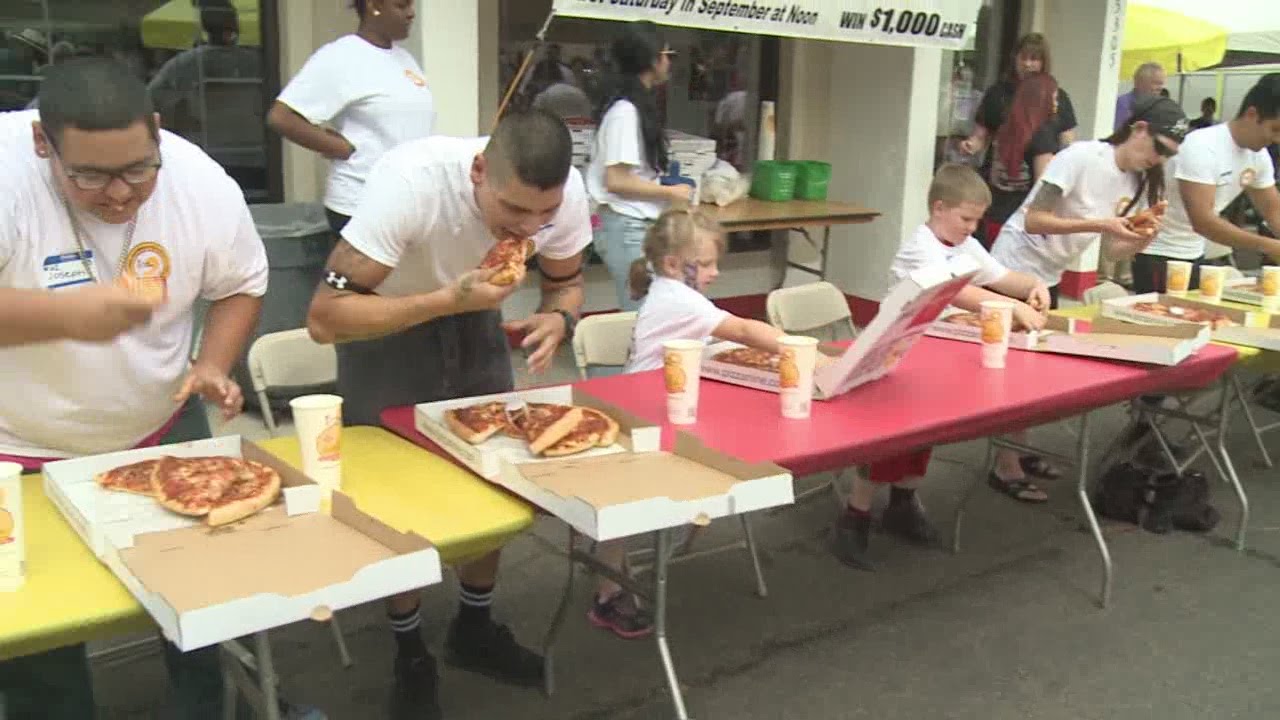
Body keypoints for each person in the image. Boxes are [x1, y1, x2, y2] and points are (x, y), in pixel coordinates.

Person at [0, 59, 320, 720]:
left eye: (138, 169)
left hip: (160, 425)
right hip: (15, 444)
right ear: (42, 144)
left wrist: (212, 363)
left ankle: (209, 705)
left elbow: (240, 283)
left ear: (157, 132)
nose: (120, 195)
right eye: (90, 175)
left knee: (200, 593)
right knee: (39, 627)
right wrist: (71, 316)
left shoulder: (198, 181)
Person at [305, 109, 590, 719]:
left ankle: (474, 626)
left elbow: (567, 282)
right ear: (479, 170)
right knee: (397, 496)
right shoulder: (410, 184)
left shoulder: (561, 199)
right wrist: (443, 300)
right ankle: (408, 646)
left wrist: (559, 317)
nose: (530, 227)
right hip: (387, 316)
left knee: (489, 478)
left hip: (474, 318)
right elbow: (325, 318)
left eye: (545, 213)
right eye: (514, 210)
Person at [832, 165, 1052, 569]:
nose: (972, 228)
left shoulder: (964, 244)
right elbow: (961, 292)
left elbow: (1002, 277)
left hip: (936, 351)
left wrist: (1031, 287)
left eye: (976, 220)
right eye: (966, 218)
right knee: (895, 434)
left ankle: (903, 501)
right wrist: (1015, 307)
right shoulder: (922, 247)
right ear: (938, 208)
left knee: (927, 429)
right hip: (895, 352)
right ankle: (856, 513)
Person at [581, 209, 785, 632]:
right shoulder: (678, 298)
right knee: (631, 503)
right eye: (706, 263)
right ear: (674, 263)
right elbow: (746, 332)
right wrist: (802, 350)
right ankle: (609, 590)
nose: (715, 272)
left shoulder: (674, 290)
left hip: (665, 406)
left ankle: (654, 547)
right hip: (646, 415)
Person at [992, 95, 1186, 299]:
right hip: (1010, 266)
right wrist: (1101, 225)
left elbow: (1112, 251)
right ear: (1139, 129)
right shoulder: (1082, 156)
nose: (1159, 159)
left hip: (1049, 278)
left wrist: (1145, 237)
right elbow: (1033, 220)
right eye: (1159, 148)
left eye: (1168, 155)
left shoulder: (1138, 182)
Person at [268, 0, 432, 235]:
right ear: (373, 6)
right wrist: (340, 147)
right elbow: (282, 117)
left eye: (411, 6)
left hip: (405, 202)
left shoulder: (404, 58)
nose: (411, 14)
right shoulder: (342, 56)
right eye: (401, 6)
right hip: (362, 205)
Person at [1137, 74, 1280, 293]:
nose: (1277, 139)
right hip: (1157, 252)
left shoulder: (1258, 155)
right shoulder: (1203, 147)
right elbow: (1203, 221)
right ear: (1252, 114)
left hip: (1195, 251)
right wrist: (1268, 245)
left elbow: (1273, 210)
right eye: (1275, 129)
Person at [587, 21, 691, 312]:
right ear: (651, 58)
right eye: (666, 53)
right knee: (644, 315)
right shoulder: (625, 112)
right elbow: (616, 180)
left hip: (633, 224)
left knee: (649, 313)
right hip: (625, 226)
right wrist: (670, 193)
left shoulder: (632, 106)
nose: (669, 61)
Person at [960, 33, 1077, 165]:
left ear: (1043, 63)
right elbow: (981, 135)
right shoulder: (998, 93)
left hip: (1040, 178)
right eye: (1023, 58)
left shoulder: (1058, 97)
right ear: (1015, 59)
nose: (1027, 64)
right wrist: (970, 145)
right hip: (998, 176)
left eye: (1033, 59)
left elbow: (1068, 144)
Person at [983, 72, 1062, 243]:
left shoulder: (1005, 129)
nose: (1056, 105)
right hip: (1021, 225)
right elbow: (1044, 187)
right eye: (1054, 98)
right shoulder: (1042, 134)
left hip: (994, 217)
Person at [1115, 62, 1167, 134]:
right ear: (1139, 83)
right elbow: (1119, 135)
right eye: (1156, 83)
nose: (1160, 88)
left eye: (1161, 84)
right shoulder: (1123, 104)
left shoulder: (1161, 105)